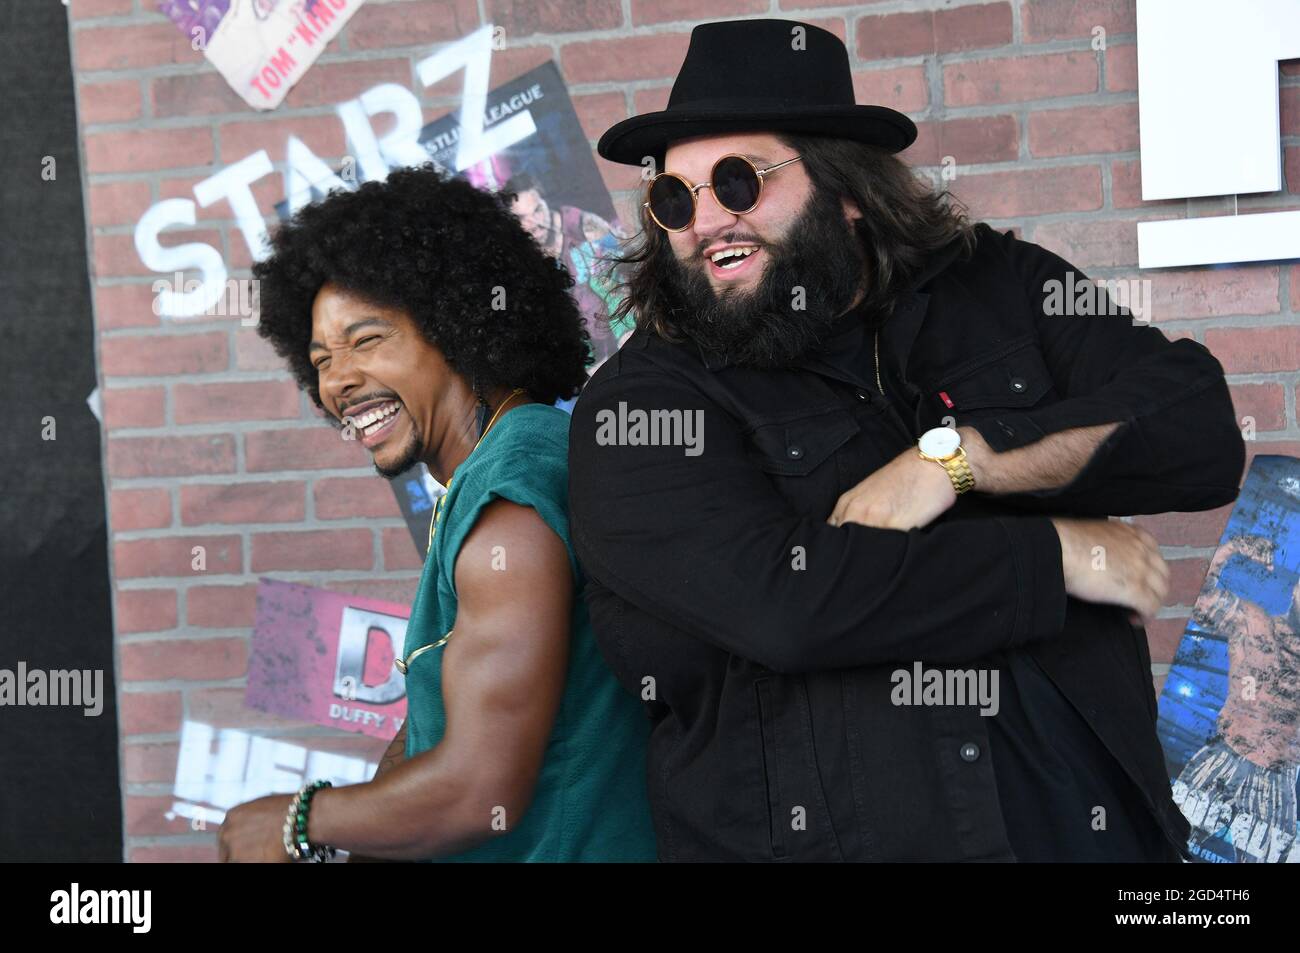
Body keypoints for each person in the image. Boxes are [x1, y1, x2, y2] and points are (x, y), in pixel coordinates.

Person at [566, 18, 1247, 861]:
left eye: (737, 182)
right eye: (674, 197)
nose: (704, 221)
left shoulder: (997, 284)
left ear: (846, 187)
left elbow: (1198, 428)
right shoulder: (638, 411)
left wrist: (958, 459)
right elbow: (787, 607)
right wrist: (1054, 555)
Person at [217, 165, 657, 862]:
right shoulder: (494, 468)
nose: (338, 382)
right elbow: (444, 725)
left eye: (367, 341)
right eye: (321, 359)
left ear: (458, 328)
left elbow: (481, 789)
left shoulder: (509, 496)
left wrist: (296, 817)